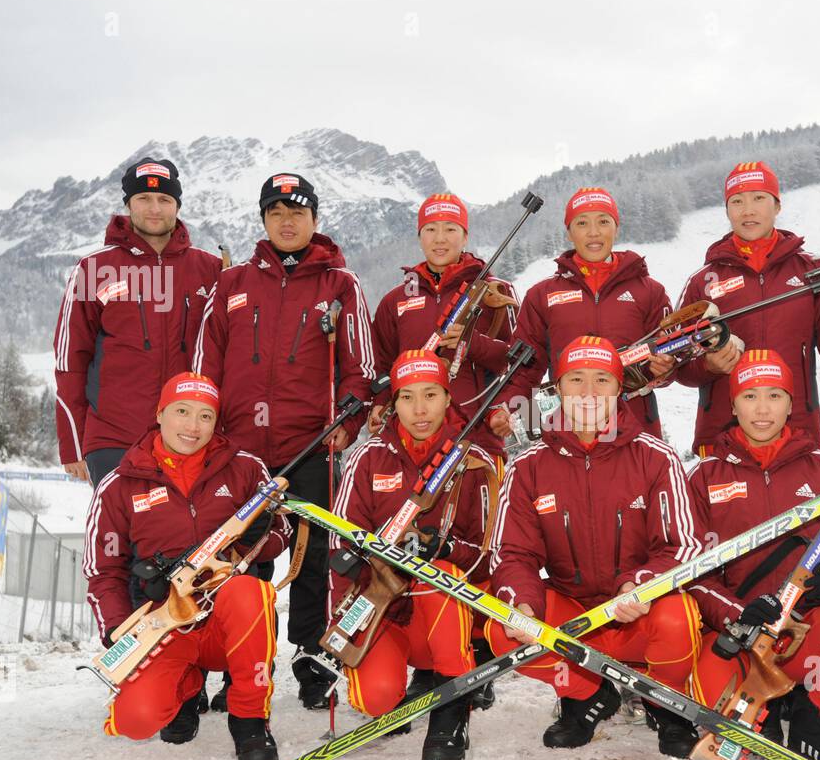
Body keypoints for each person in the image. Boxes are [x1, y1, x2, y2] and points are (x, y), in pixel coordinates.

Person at [193, 172, 374, 710]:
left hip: (314, 446)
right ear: (264, 220)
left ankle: (311, 659)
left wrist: (350, 417)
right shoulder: (232, 285)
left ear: (314, 220)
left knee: (315, 553)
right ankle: (242, 664)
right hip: (240, 450)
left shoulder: (341, 284)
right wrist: (208, 429)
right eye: (276, 213)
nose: (287, 221)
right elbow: (205, 366)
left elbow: (360, 369)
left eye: (297, 212)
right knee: (240, 557)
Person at [485, 336, 704, 755]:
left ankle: (666, 700)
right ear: (557, 389)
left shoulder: (656, 458)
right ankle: (586, 693)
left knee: (679, 618)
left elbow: (682, 546)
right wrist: (523, 603)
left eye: (602, 380)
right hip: (575, 615)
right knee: (501, 626)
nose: (588, 393)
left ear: (619, 388)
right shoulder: (528, 466)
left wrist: (639, 584)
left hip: (636, 611)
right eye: (576, 380)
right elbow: (513, 553)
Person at [685, 350, 820, 760]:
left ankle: (815, 722)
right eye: (750, 396)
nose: (762, 409)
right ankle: (770, 703)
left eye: (775, 395)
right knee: (708, 702)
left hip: (802, 630)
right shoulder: (704, 476)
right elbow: (689, 573)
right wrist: (736, 613)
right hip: (738, 634)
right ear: (733, 403)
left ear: (791, 402)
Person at [85, 372, 290, 760]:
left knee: (251, 593)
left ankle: (249, 720)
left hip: (227, 621)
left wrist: (246, 546)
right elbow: (103, 570)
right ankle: (186, 687)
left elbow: (282, 529)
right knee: (136, 719)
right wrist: (117, 628)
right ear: (159, 414)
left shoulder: (247, 469)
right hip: (166, 623)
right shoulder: (118, 484)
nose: (192, 427)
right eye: (181, 412)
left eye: (205, 416)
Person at [329, 350, 498, 760]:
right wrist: (344, 621)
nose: (419, 409)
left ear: (447, 397)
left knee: (442, 574)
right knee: (374, 699)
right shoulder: (368, 457)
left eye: (430, 395)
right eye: (407, 398)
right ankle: (398, 691)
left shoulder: (473, 460)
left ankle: (452, 712)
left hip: (444, 614)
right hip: (384, 607)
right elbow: (339, 542)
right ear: (394, 403)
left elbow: (488, 555)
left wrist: (443, 550)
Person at [675, 161, 820, 452]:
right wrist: (708, 365)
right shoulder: (702, 281)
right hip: (722, 436)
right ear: (727, 211)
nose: (748, 210)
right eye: (737, 201)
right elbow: (677, 366)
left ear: (777, 206)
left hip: (798, 434)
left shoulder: (814, 271)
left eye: (759, 198)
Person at [55, 158, 221, 488]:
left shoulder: (211, 269)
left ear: (178, 205)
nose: (155, 208)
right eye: (144, 198)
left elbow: (229, 356)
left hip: (189, 437)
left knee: (183, 537)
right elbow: (69, 361)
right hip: (114, 437)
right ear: (128, 204)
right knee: (119, 534)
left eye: (165, 200)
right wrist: (71, 442)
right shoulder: (93, 270)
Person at [488, 188, 675, 441]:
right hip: (567, 430)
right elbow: (525, 369)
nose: (594, 232)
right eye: (582, 223)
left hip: (635, 428)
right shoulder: (542, 295)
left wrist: (664, 369)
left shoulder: (649, 291)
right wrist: (507, 407)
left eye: (603, 221)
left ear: (616, 227)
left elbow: (673, 362)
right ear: (569, 232)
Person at [369, 192, 518, 460]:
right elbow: (382, 365)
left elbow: (518, 359)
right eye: (430, 229)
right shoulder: (395, 299)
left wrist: (473, 344)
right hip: (410, 442)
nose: (440, 238)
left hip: (477, 437)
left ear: (465, 236)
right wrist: (380, 405)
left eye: (450, 229)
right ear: (419, 236)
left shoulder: (495, 291)